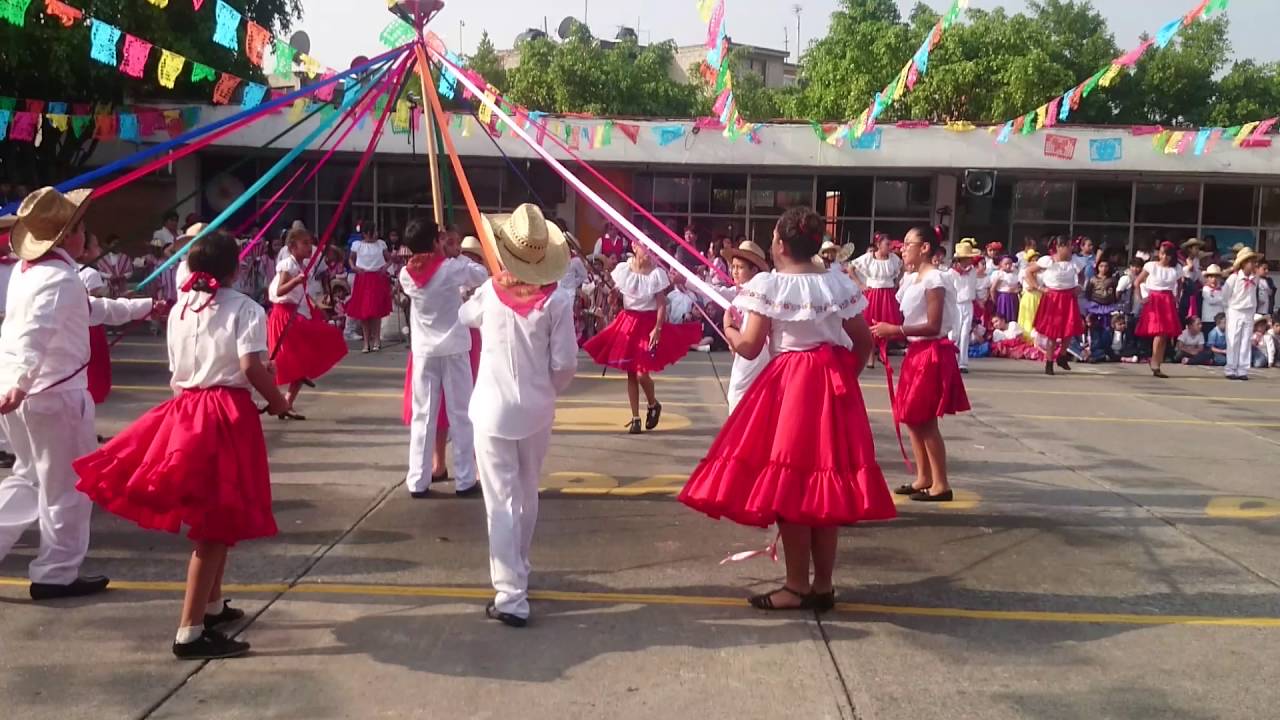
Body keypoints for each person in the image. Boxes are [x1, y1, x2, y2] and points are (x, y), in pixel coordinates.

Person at [73, 232, 290, 660]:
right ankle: (189, 632)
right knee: (214, 522)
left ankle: (211, 607)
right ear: (237, 269)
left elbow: (177, 369)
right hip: (224, 414)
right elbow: (249, 365)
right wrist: (278, 399)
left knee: (219, 515)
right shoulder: (246, 309)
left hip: (187, 408)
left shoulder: (180, 309)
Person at [679, 207, 892, 611]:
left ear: (778, 244)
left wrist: (728, 327)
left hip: (791, 385)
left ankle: (796, 586)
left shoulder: (770, 286)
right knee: (824, 486)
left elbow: (751, 346)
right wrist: (840, 375)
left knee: (792, 487)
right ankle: (823, 585)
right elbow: (863, 342)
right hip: (831, 385)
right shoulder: (835, 284)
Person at [0, 187, 154, 601]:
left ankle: (50, 567)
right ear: (68, 235)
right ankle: (56, 573)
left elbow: (89, 312)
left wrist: (140, 307)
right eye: (81, 227)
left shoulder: (27, 270)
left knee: (29, 478)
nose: (86, 233)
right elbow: (36, 334)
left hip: (26, 395)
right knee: (67, 487)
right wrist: (21, 381)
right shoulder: (59, 278)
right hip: (52, 396)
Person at [459, 208, 577, 628]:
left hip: (492, 409)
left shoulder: (491, 293)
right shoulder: (557, 299)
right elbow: (564, 364)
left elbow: (463, 318)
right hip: (537, 408)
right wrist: (544, 390)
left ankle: (510, 595)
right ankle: (518, 572)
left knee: (501, 502)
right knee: (527, 493)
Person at [876, 227, 970, 502]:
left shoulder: (935, 280)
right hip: (917, 352)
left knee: (925, 420)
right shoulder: (913, 278)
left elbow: (933, 324)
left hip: (931, 353)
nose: (903, 249)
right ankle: (924, 477)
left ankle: (940, 483)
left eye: (908, 244)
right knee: (913, 418)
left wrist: (895, 330)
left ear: (925, 247)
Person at [400, 217, 489, 498]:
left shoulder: (405, 274)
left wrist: (443, 252)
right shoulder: (451, 269)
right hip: (453, 349)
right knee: (461, 414)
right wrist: (454, 254)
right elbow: (481, 274)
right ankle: (464, 479)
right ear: (435, 242)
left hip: (425, 351)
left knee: (422, 416)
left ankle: (418, 480)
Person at [582, 237, 704, 435]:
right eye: (644, 246)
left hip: (647, 323)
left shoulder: (657, 274)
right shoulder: (624, 269)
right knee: (631, 372)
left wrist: (658, 327)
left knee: (641, 371)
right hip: (628, 321)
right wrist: (615, 297)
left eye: (651, 247)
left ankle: (653, 404)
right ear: (634, 247)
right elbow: (619, 295)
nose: (648, 250)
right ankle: (635, 417)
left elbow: (661, 303)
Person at [267, 227, 348, 416]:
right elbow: (280, 291)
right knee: (290, 362)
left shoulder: (300, 266)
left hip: (294, 315)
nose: (309, 247)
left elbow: (300, 294)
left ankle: (287, 402)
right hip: (283, 317)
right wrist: (296, 281)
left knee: (302, 360)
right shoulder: (288, 265)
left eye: (310, 242)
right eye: (305, 243)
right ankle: (279, 400)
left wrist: (316, 307)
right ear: (293, 246)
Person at [719, 240, 771, 410]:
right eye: (733, 266)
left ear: (754, 270)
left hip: (755, 350)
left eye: (740, 267)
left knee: (737, 393)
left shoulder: (754, 293)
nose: (734, 271)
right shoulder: (743, 292)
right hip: (751, 349)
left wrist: (730, 329)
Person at [1030, 237, 1084, 375]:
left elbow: (1082, 275)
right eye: (1067, 246)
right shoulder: (1048, 260)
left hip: (1069, 297)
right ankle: (1049, 362)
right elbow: (1029, 272)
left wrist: (1080, 286)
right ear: (1060, 247)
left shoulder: (1075, 262)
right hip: (1053, 298)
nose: (1070, 249)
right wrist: (1039, 287)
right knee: (1052, 333)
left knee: (1069, 329)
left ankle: (1062, 355)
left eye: (1071, 246)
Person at [850, 233, 904, 369]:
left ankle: (883, 352)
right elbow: (851, 268)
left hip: (888, 293)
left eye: (890, 244)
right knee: (871, 324)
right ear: (878, 245)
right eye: (887, 244)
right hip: (873, 293)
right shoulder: (869, 258)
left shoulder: (893, 259)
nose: (889, 247)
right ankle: (870, 357)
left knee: (887, 322)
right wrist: (860, 285)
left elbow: (902, 268)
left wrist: (896, 282)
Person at [1135, 242, 1186, 378]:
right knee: (1158, 331)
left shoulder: (1176, 268)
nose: (1163, 257)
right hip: (1155, 299)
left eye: (1167, 254)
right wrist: (1141, 298)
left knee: (1164, 334)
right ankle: (1154, 361)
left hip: (1167, 299)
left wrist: (1177, 297)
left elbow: (1180, 283)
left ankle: (1158, 362)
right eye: (1162, 253)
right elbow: (1137, 282)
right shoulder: (1151, 266)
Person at [346, 225, 393, 354]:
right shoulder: (357, 245)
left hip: (377, 278)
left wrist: (384, 268)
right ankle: (366, 342)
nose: (374, 235)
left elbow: (389, 259)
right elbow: (351, 258)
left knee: (376, 310)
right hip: (363, 278)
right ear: (365, 233)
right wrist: (354, 268)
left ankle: (377, 340)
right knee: (364, 312)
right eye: (372, 233)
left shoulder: (381, 244)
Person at [1222, 248, 1260, 380]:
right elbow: (1225, 296)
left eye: (1254, 262)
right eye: (1250, 262)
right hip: (1235, 310)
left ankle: (1242, 369)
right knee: (1233, 339)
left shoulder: (1256, 278)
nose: (1253, 264)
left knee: (1245, 341)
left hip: (1249, 311)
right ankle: (1231, 368)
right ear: (1243, 263)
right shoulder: (1234, 278)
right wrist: (1228, 310)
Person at [949, 240, 982, 373]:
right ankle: (951, 359)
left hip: (968, 304)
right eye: (968, 258)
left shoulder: (973, 271)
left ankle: (963, 363)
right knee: (954, 334)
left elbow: (974, 287)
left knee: (965, 334)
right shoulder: (951, 273)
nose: (970, 260)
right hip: (955, 304)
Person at [1084, 258, 1120, 362]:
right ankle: (1096, 353)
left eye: (1106, 266)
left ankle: (1107, 351)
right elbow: (1088, 293)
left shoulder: (1112, 280)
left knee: (1107, 331)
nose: (1103, 269)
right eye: (1101, 266)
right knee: (1094, 331)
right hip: (1095, 307)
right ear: (1097, 267)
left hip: (1108, 307)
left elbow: (1115, 294)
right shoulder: (1092, 279)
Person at [988, 256, 1021, 329]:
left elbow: (1018, 285)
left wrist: (1016, 290)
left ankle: (1012, 331)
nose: (1008, 266)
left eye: (1010, 264)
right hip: (1003, 298)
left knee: (1013, 315)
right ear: (1000, 264)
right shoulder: (999, 274)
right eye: (1006, 264)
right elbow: (992, 289)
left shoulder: (1015, 273)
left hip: (1013, 298)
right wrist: (995, 301)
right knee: (1003, 316)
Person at [1017, 249, 1042, 342]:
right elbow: (1031, 285)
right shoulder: (1025, 271)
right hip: (1029, 297)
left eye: (1037, 260)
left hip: (1039, 297)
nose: (1035, 262)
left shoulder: (1041, 272)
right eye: (1033, 260)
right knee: (1029, 317)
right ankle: (1028, 337)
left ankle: (1038, 339)